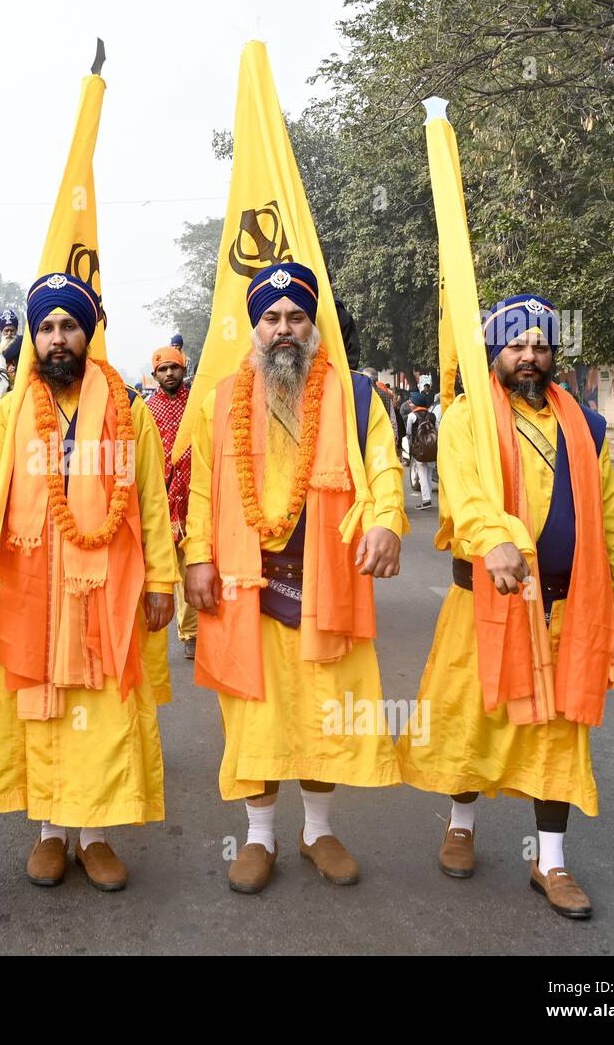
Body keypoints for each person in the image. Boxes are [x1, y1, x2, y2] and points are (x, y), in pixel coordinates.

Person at [398, 293, 614, 920]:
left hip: (566, 606)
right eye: (517, 345)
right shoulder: (466, 420)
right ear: (495, 352)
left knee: (560, 732)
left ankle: (552, 861)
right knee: (471, 716)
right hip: (483, 597)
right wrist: (496, 541)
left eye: (540, 345)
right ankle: (460, 825)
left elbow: (610, 518)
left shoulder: (583, 424)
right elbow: (467, 492)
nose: (530, 356)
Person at [184, 262, 406, 895]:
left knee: (324, 711)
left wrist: (387, 522)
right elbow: (202, 490)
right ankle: (259, 837)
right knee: (254, 714)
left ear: (313, 326)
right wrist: (197, 557)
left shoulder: (357, 395)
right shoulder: (221, 399)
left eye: (296, 317)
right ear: (255, 327)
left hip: (326, 580)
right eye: (272, 318)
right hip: (245, 585)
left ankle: (316, 829)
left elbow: (385, 470)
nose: (284, 329)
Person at [0, 272, 177, 892]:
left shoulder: (129, 411)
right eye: (47, 327)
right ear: (34, 336)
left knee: (104, 710)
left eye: (70, 327)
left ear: (88, 334)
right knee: (41, 708)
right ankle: (52, 831)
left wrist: (162, 577)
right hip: (33, 586)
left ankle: (97, 834)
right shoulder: (8, 413)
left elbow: (152, 503)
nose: (58, 339)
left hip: (108, 586)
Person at [145, 344, 196, 659]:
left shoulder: (198, 404)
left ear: (183, 370)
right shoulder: (147, 410)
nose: (168, 374)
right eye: (162, 369)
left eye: (173, 368)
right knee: (161, 569)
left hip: (193, 499)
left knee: (192, 568)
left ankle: (190, 633)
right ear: (154, 375)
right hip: (161, 503)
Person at [402, 391, 438, 509]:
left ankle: (426, 501)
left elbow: (408, 432)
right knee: (428, 474)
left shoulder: (412, 416)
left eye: (411, 401)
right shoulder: (432, 415)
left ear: (416, 403)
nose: (409, 403)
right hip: (432, 449)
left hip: (419, 450)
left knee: (422, 475)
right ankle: (428, 499)